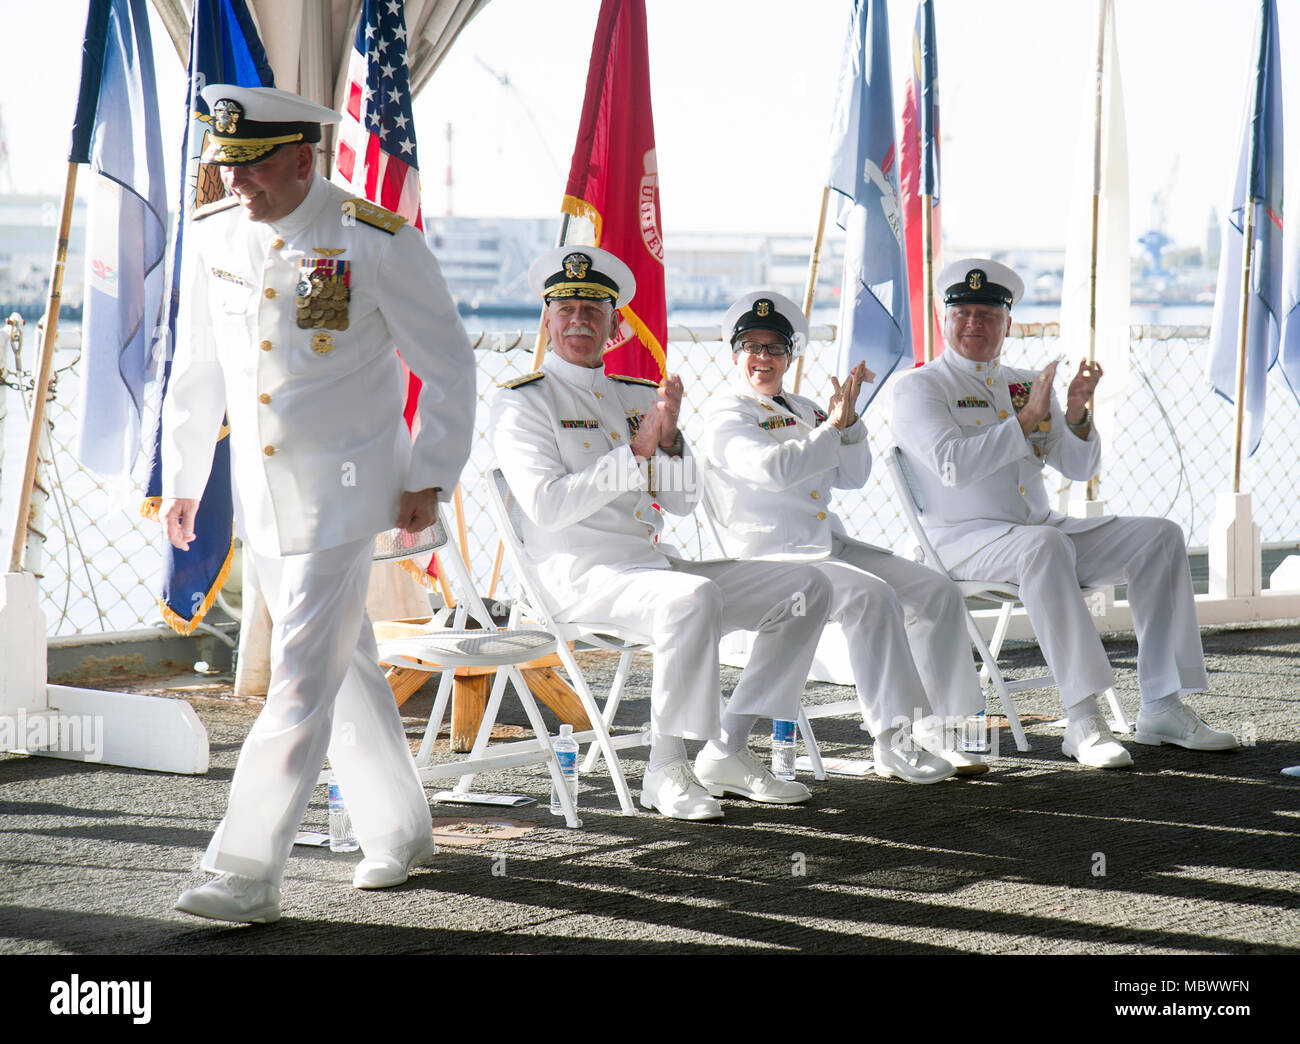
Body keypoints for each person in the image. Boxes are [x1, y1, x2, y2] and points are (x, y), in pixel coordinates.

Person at [160, 85, 476, 923]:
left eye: (253, 168)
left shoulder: (376, 241)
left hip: (345, 493)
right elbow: (196, 368)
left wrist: (431, 474)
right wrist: (184, 479)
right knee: (348, 666)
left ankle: (244, 871)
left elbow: (448, 365)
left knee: (298, 680)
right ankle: (402, 832)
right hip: (262, 499)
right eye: (227, 167)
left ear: (303, 159)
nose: (237, 185)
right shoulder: (215, 236)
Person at [490, 247, 834, 821]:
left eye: (593, 310)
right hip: (577, 576)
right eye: (567, 308)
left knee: (806, 588)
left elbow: (680, 502)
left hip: (651, 570)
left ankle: (726, 749)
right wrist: (636, 452)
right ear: (547, 321)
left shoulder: (635, 393)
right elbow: (548, 508)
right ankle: (664, 768)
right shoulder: (521, 401)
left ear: (614, 324)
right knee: (691, 597)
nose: (579, 319)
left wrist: (670, 443)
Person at [890, 257, 1237, 769]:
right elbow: (949, 467)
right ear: (944, 319)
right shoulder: (920, 387)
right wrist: (1023, 424)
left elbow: (1078, 466)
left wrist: (1074, 413)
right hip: (962, 540)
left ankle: (1162, 705)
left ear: (1008, 324)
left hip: (1037, 532)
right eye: (962, 313)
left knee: (1160, 536)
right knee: (1046, 546)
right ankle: (1083, 719)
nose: (974, 325)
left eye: (987, 314)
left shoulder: (1024, 383)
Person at [699, 291, 987, 783]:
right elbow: (775, 469)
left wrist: (848, 425)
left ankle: (941, 727)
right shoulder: (727, 412)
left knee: (935, 591)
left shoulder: (804, 407)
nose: (763, 358)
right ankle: (893, 741)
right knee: (873, 597)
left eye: (774, 348)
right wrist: (832, 427)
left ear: (790, 357)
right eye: (752, 346)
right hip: (771, 559)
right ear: (735, 355)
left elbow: (853, 477)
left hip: (828, 546)